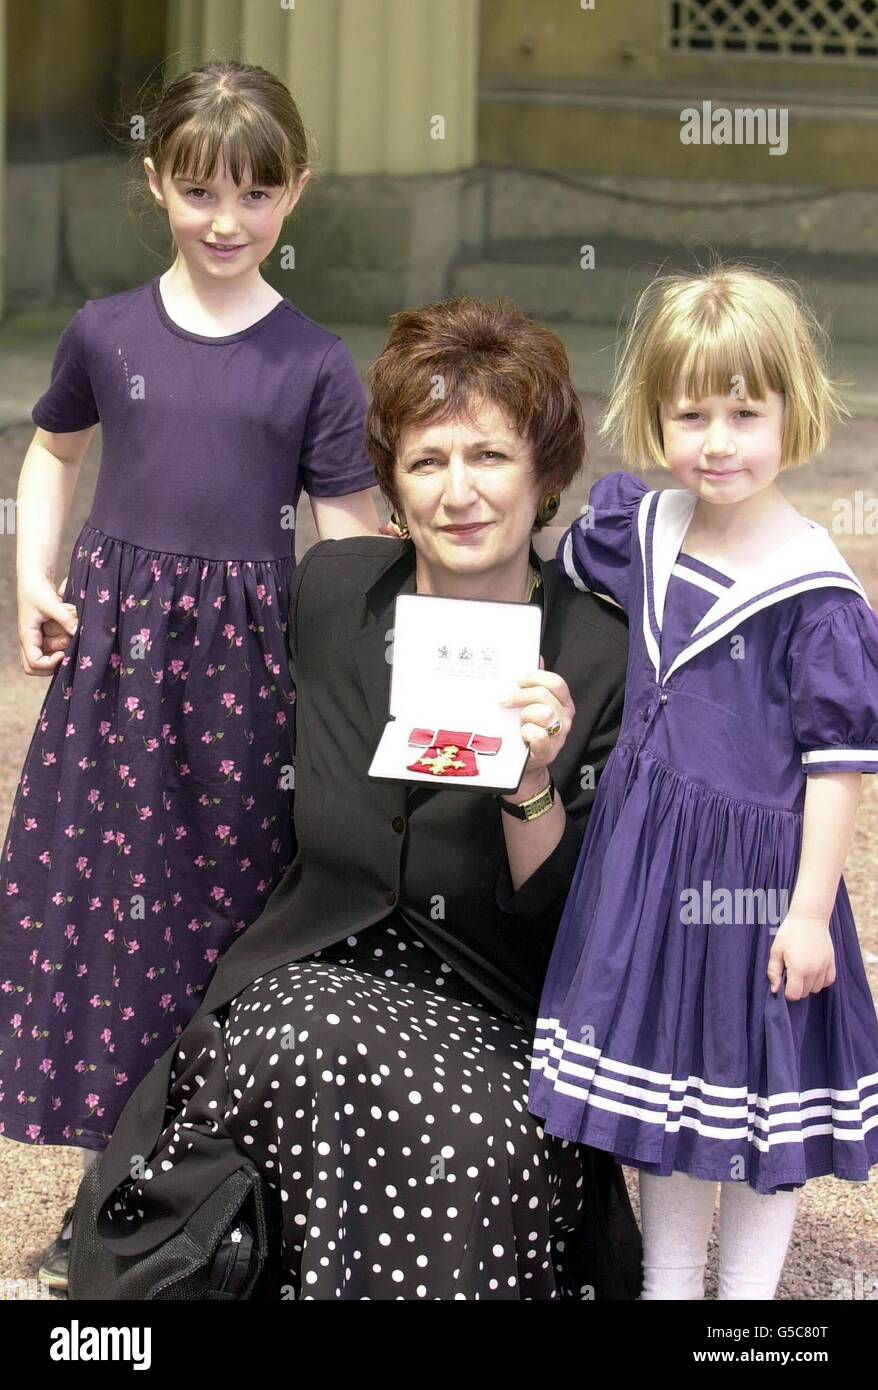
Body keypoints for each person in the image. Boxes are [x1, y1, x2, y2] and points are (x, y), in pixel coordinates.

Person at [86, 296, 643, 1299]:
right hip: (302, 978)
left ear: (545, 472)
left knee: (463, 1135)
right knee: (313, 1043)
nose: (458, 491)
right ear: (392, 484)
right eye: (427, 461)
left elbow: (578, 930)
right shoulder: (333, 591)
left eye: (489, 457)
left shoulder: (601, 655)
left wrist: (529, 786)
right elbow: (196, 694)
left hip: (491, 1016)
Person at [0, 60, 382, 1290]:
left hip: (244, 694)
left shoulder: (316, 361)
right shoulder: (103, 332)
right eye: (202, 189)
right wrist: (33, 578)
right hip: (115, 682)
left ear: (296, 194)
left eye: (256, 194)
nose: (228, 220)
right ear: (155, 180)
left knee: (225, 935)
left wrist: (406, 663)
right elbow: (53, 454)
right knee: (107, 928)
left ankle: (216, 1197)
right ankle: (104, 1203)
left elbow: (348, 532)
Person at [528, 263, 878, 1300]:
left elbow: (837, 765)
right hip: (643, 869)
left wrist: (810, 910)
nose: (716, 440)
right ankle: (669, 1285)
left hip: (760, 889)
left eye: (742, 411)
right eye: (691, 414)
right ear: (654, 416)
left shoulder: (811, 591)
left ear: (789, 413)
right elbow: (546, 565)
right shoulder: (641, 529)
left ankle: (746, 1308)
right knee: (668, 1097)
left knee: (754, 1092)